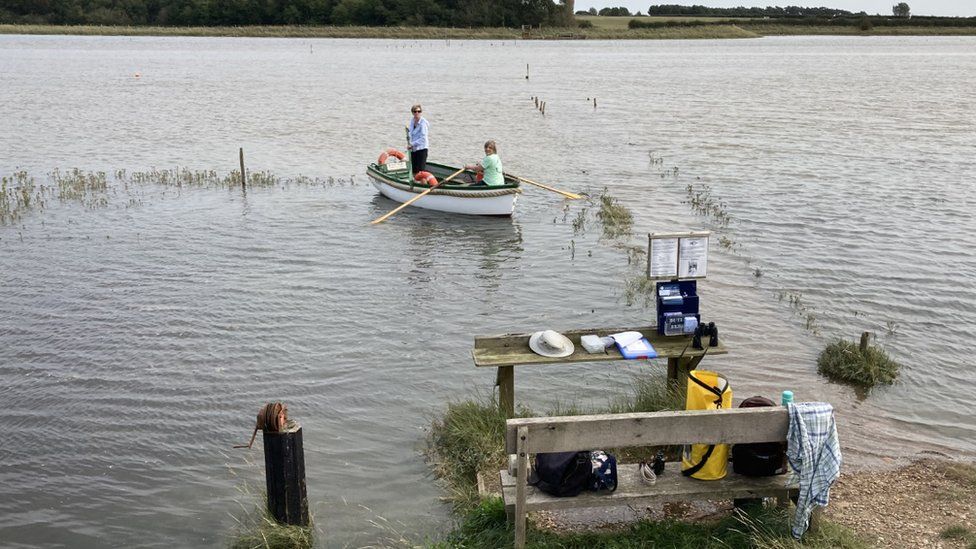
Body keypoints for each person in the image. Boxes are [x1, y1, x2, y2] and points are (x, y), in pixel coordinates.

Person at [406, 104, 429, 174]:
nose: (417, 113)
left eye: (419, 111)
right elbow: (411, 133)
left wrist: (412, 144)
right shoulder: (412, 121)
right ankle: (414, 183)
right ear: (412, 112)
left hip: (422, 149)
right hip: (414, 149)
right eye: (415, 111)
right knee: (414, 170)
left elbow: (423, 139)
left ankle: (423, 184)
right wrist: (408, 131)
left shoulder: (423, 123)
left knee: (421, 172)